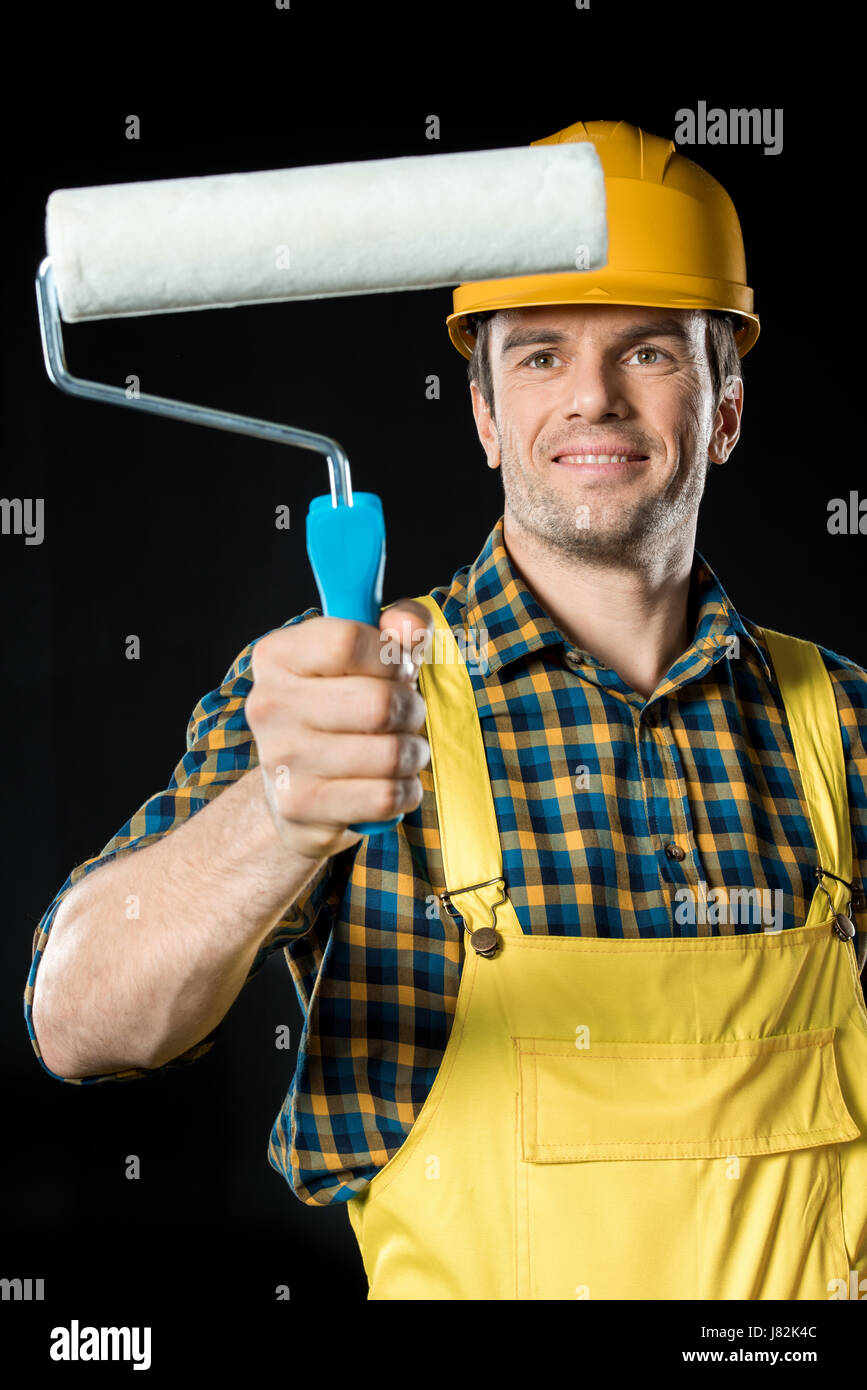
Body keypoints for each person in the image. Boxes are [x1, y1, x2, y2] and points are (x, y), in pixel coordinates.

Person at [25, 119, 867, 1301]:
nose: (592, 398)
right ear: (480, 413)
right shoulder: (339, 699)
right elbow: (77, 1021)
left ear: (726, 406)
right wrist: (281, 817)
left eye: (650, 353)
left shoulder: (841, 725)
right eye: (538, 356)